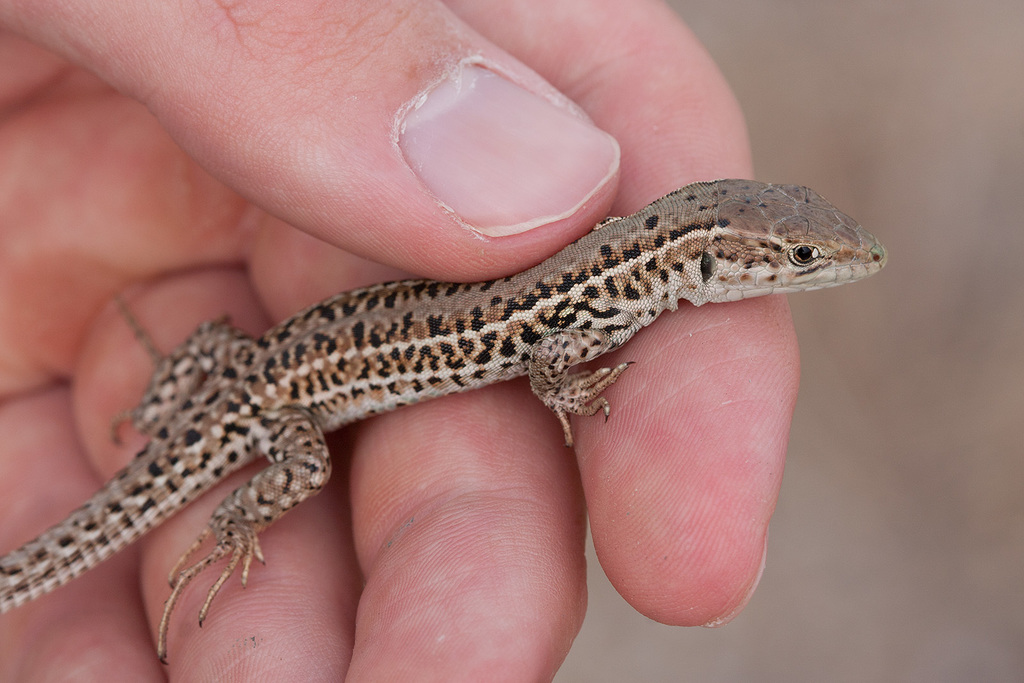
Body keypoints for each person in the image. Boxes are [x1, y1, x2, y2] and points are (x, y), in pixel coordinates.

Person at [0, 0, 797, 678]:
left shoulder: (618, 256)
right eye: (796, 259)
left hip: (260, 363)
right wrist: (565, 389)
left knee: (217, 342)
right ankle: (237, 519)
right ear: (717, 254)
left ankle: (164, 389)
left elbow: (546, 343)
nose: (803, 269)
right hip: (274, 404)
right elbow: (547, 359)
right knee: (306, 467)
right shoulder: (611, 285)